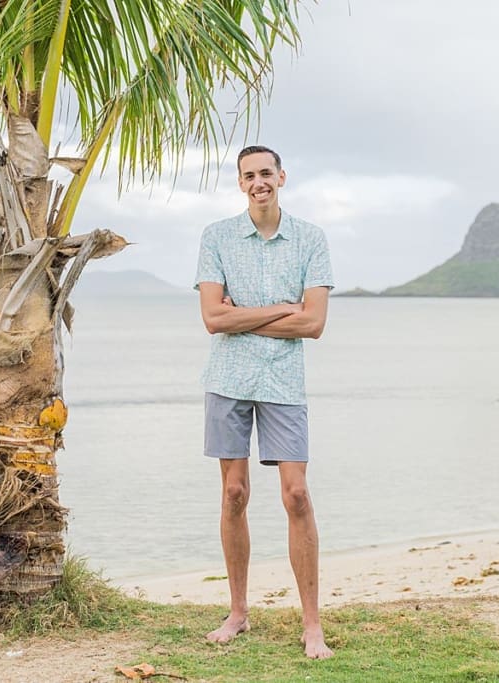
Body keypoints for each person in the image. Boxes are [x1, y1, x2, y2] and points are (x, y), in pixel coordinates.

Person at [193, 145, 334, 659]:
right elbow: (213, 319)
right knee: (234, 493)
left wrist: (243, 315)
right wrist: (280, 309)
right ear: (240, 183)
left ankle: (312, 625)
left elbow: (313, 324)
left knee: (296, 495)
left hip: (283, 385)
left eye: (266, 173)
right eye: (249, 175)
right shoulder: (217, 237)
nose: (259, 182)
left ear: (282, 177)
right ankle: (238, 613)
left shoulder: (311, 240)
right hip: (227, 380)